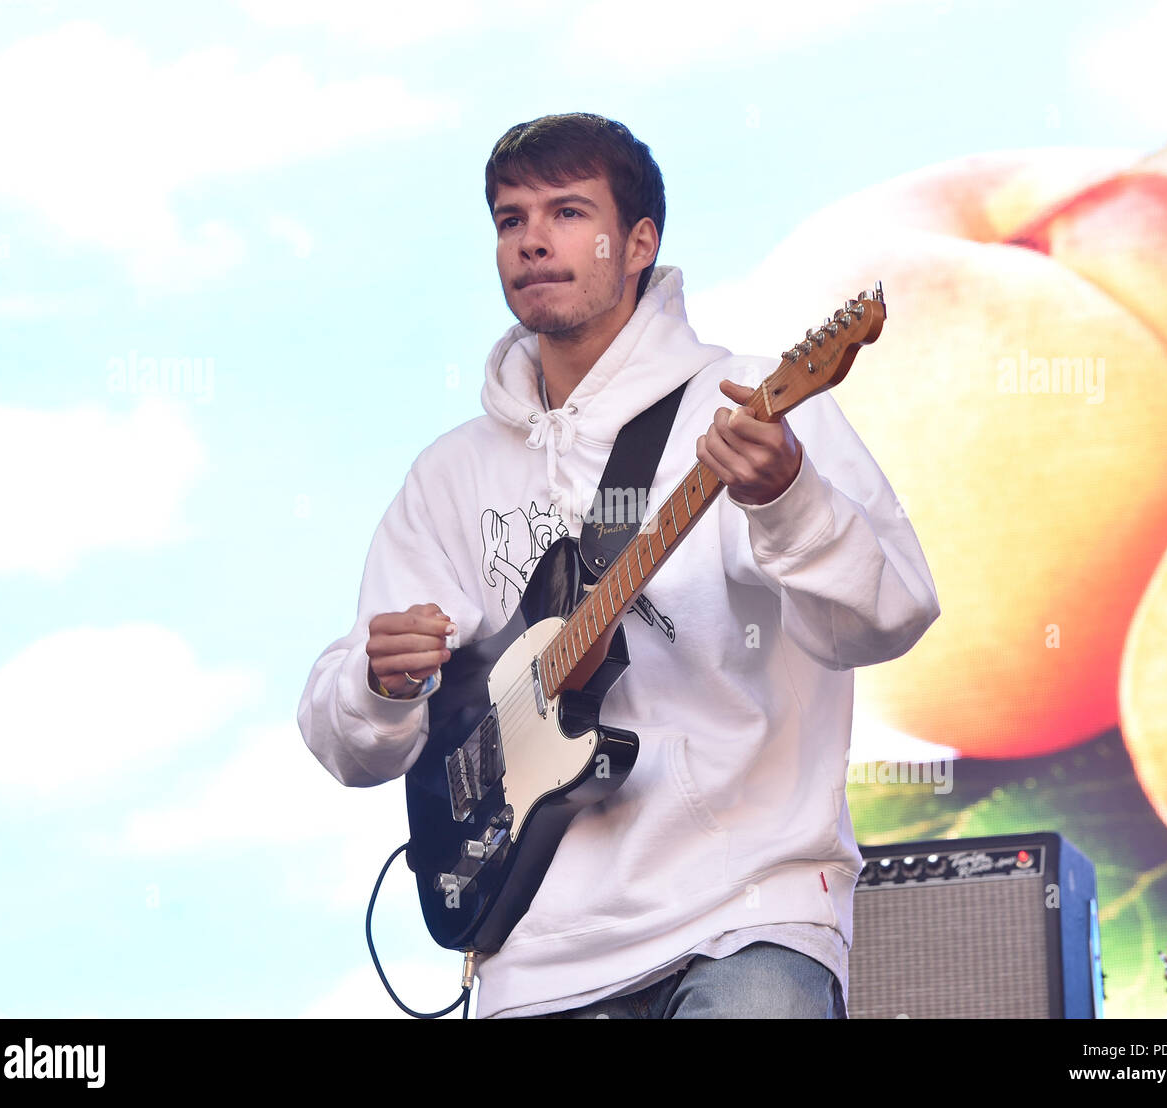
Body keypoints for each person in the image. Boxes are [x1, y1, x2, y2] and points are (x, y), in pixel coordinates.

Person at [298, 112, 940, 1019]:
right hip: (532, 952)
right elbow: (345, 742)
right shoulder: (452, 474)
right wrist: (379, 684)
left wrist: (786, 495)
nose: (531, 241)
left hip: (747, 915)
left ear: (639, 241)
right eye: (509, 219)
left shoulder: (749, 406)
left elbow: (890, 614)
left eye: (566, 212)